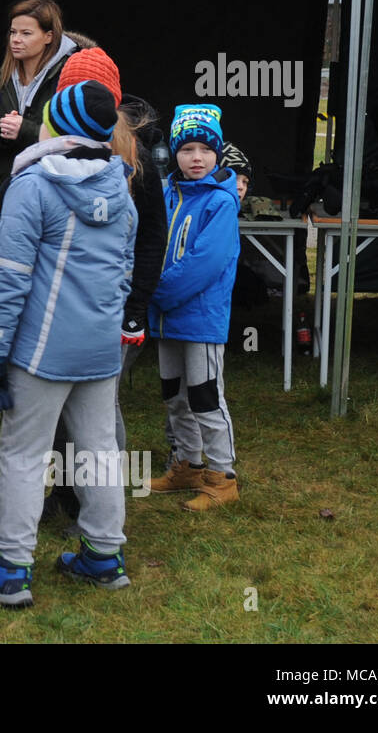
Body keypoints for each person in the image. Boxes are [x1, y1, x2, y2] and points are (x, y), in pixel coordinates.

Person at [0, 82, 136, 609]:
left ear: (57, 126)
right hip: (101, 348)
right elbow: (123, 273)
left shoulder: (33, 184)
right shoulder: (122, 185)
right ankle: (104, 556)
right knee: (99, 451)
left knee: (23, 455)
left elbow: (9, 275)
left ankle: (10, 570)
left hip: (40, 351)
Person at [40, 51, 166, 529]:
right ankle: (66, 495)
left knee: (98, 413)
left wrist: (135, 309)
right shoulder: (50, 153)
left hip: (113, 309)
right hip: (65, 306)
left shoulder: (137, 162)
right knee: (58, 410)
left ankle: (101, 513)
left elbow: (152, 239)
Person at [146, 105, 241, 511]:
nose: (196, 157)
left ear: (218, 153)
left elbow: (205, 262)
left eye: (205, 149)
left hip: (200, 320)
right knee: (175, 396)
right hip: (166, 321)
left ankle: (223, 477)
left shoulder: (221, 203)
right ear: (174, 153)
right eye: (187, 149)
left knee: (205, 398)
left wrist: (155, 291)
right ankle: (187, 464)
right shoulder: (166, 194)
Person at [0, 0, 79, 227]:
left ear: (49, 36)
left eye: (26, 33)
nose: (16, 40)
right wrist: (2, 133)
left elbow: (76, 141)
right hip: (3, 198)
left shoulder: (68, 77)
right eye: (13, 32)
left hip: (52, 198)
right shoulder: (3, 78)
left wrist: (24, 130)